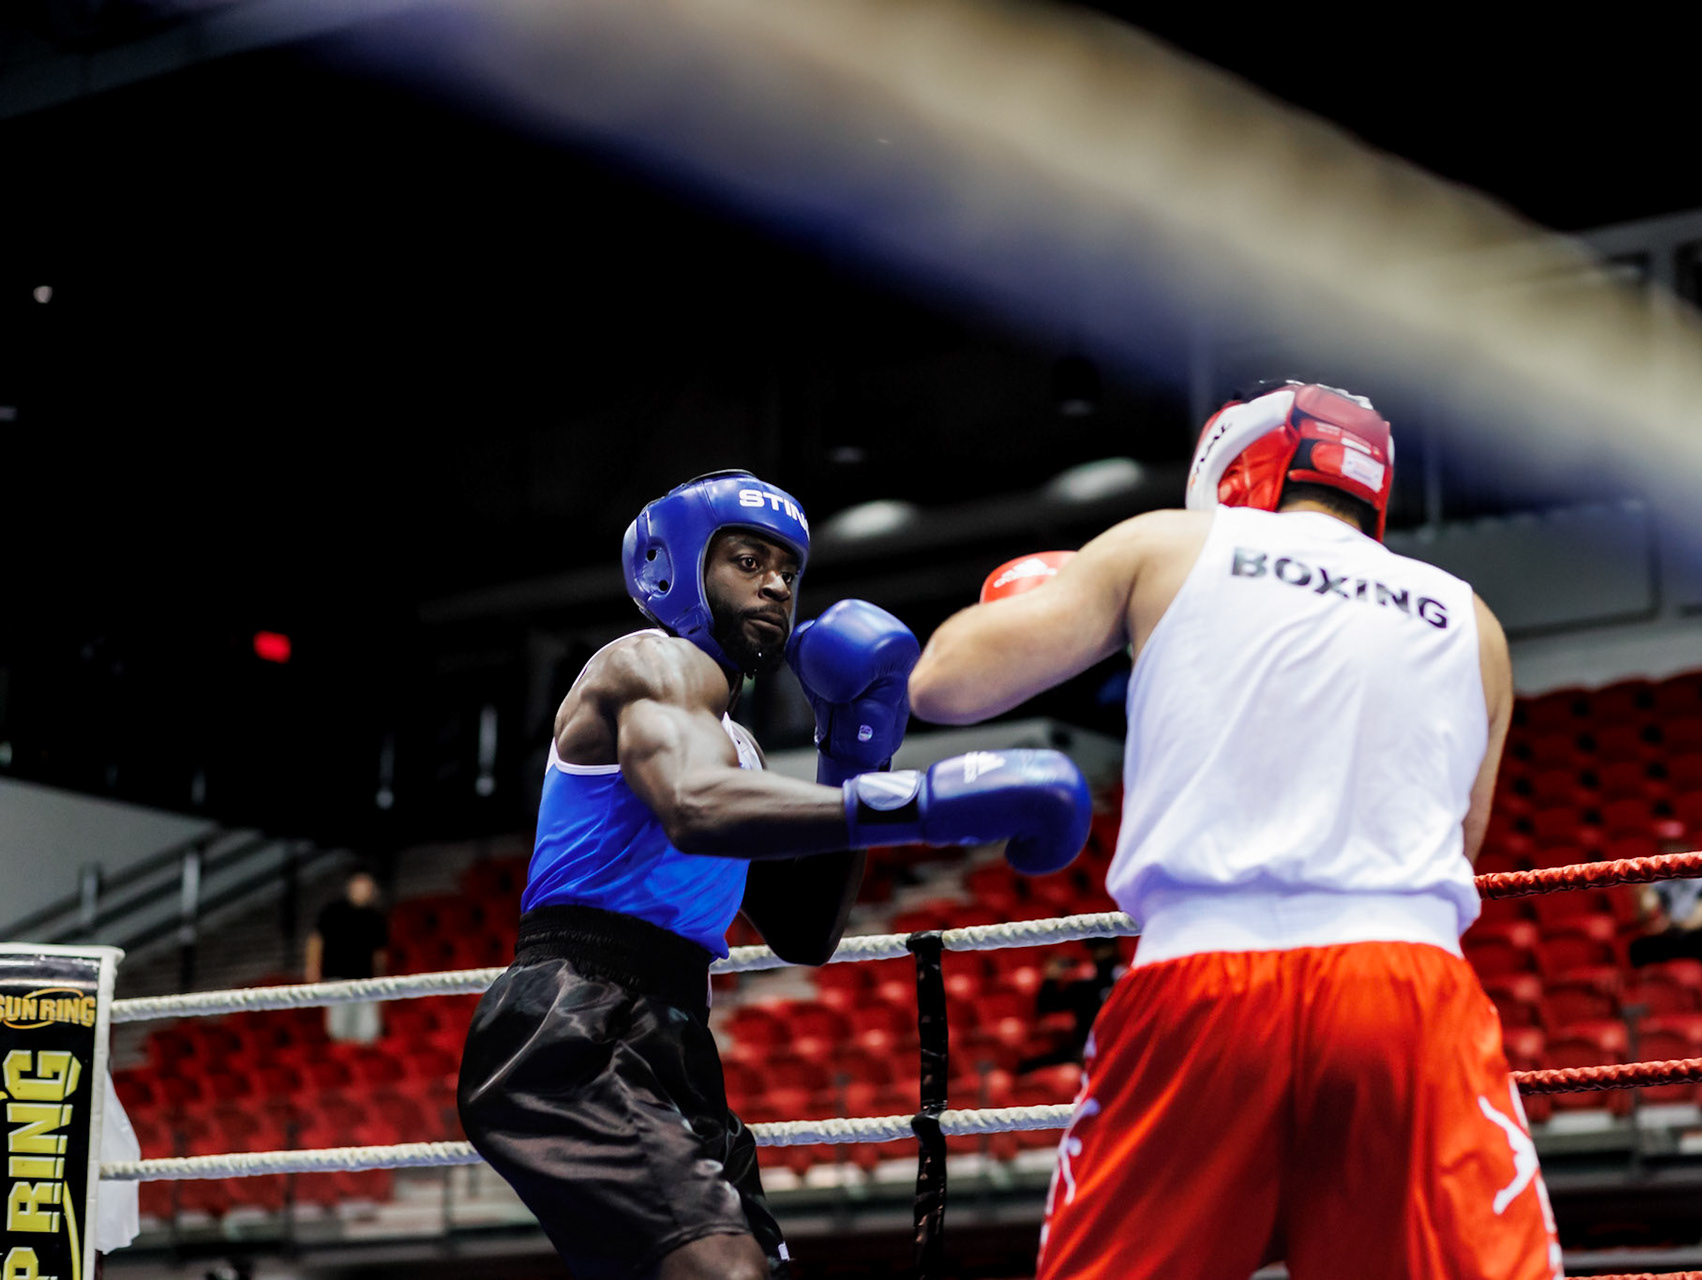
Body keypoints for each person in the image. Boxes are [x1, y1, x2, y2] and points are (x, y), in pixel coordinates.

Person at [910, 383, 1562, 1280]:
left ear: (1237, 464)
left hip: (1204, 978)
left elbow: (942, 685)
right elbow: (1466, 839)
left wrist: (1062, 594)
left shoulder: (1168, 545)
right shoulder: (1471, 618)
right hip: (1404, 980)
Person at [456, 470, 1091, 1280]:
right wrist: (920, 803)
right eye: (747, 562)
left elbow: (803, 930)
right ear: (676, 570)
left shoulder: (740, 751)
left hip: (672, 1033)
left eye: (788, 570)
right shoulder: (645, 662)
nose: (776, 586)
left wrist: (855, 759)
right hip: (575, 1019)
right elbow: (689, 804)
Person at [306, 868, 389, 1043]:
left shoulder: (376, 917)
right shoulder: (333, 911)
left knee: (368, 1031)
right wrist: (312, 968)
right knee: (339, 1029)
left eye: (367, 887)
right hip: (338, 979)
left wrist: (381, 981)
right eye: (359, 886)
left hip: (366, 982)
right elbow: (316, 941)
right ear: (350, 887)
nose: (363, 891)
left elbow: (379, 954)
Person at [1017, 937, 1125, 1072]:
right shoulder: (1085, 987)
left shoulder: (1129, 982)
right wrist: (1050, 979)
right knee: (1028, 1066)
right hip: (1087, 1049)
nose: (1102, 954)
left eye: (1105, 950)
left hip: (1123, 1047)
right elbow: (1047, 1006)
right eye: (1097, 950)